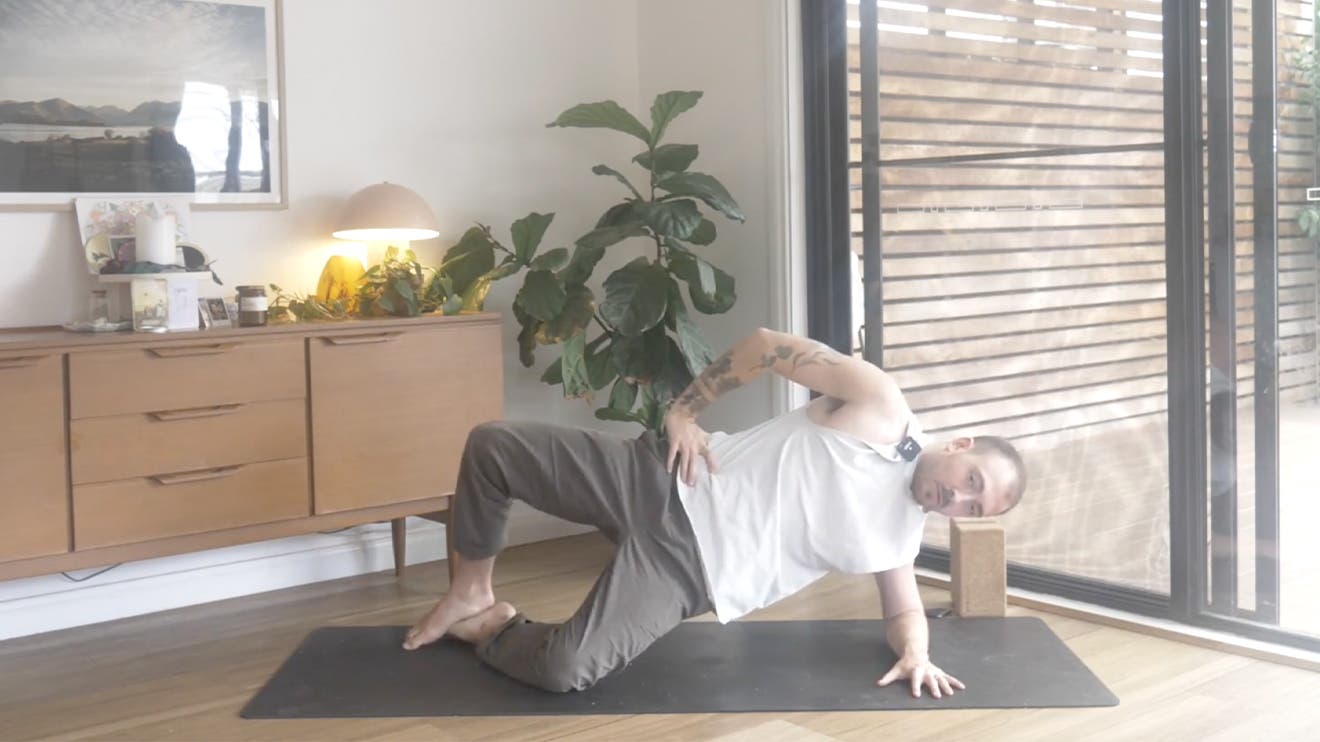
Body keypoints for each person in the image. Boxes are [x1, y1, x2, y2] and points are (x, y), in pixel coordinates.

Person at [402, 327, 1028, 698]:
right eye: (971, 482)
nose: (960, 501)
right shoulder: (880, 406)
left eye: (974, 508)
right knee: (493, 445)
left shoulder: (899, 537)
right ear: (961, 446)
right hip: (660, 480)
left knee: (566, 670)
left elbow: (904, 608)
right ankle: (469, 591)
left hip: (687, 573)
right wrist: (684, 411)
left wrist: (915, 652)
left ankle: (492, 626)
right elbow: (766, 346)